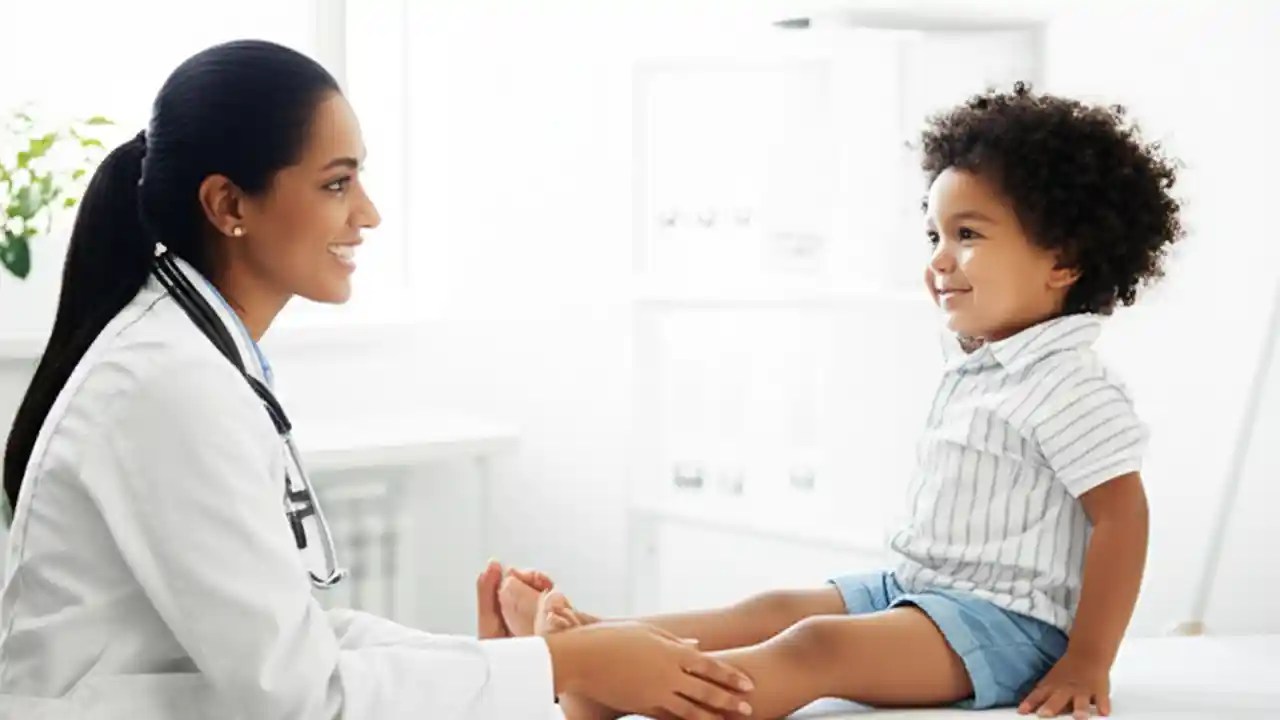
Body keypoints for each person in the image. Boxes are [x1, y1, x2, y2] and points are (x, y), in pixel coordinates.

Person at [0, 40, 753, 720]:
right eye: (337, 184)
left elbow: (299, 647)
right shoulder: (169, 385)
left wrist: (521, 665)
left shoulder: (191, 359)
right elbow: (304, 697)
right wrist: (562, 666)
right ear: (229, 204)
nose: (369, 214)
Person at [497, 83, 1184, 720]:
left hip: (1007, 627)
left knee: (817, 646)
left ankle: (610, 683)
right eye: (935, 236)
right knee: (771, 608)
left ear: (1063, 261)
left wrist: (1087, 660)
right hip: (917, 588)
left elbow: (1122, 518)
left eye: (968, 235)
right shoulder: (985, 365)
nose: (939, 259)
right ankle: (593, 649)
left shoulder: (1069, 383)